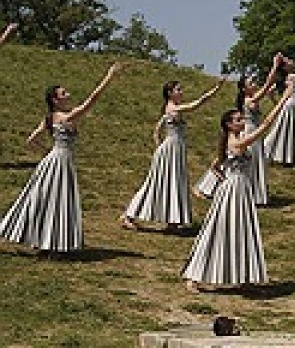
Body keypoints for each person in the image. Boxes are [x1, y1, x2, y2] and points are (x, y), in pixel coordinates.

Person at [181, 80, 295, 293]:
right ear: (228, 125)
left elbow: (216, 166)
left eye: (241, 118)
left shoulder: (232, 141)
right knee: (219, 230)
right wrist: (283, 99)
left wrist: (224, 177)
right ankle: (195, 277)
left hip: (240, 189)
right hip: (233, 190)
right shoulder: (235, 143)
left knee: (243, 230)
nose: (242, 121)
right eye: (237, 120)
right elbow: (265, 126)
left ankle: (244, 275)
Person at [0, 63, 123, 254]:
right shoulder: (67, 118)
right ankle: (50, 241)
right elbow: (92, 99)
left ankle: (44, 239)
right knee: (56, 199)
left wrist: (47, 153)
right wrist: (109, 77)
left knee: (41, 199)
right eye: (63, 94)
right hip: (61, 162)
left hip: (51, 161)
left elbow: (31, 141)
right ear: (55, 100)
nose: (68, 95)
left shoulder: (50, 118)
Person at [121, 78, 225, 231]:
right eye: (178, 90)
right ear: (170, 93)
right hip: (170, 150)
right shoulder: (172, 108)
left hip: (174, 151)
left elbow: (157, 130)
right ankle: (128, 216)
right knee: (155, 184)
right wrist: (216, 89)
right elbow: (196, 105)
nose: (181, 92)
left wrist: (158, 145)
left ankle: (172, 220)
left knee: (174, 183)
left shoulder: (171, 108)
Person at [194, 55, 283, 205]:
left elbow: (268, 86)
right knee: (238, 161)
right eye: (251, 83)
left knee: (249, 162)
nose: (254, 84)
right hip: (248, 132)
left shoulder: (251, 98)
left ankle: (253, 194)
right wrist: (275, 66)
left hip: (254, 133)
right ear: (243, 88)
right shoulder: (249, 100)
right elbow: (267, 85)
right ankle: (210, 187)